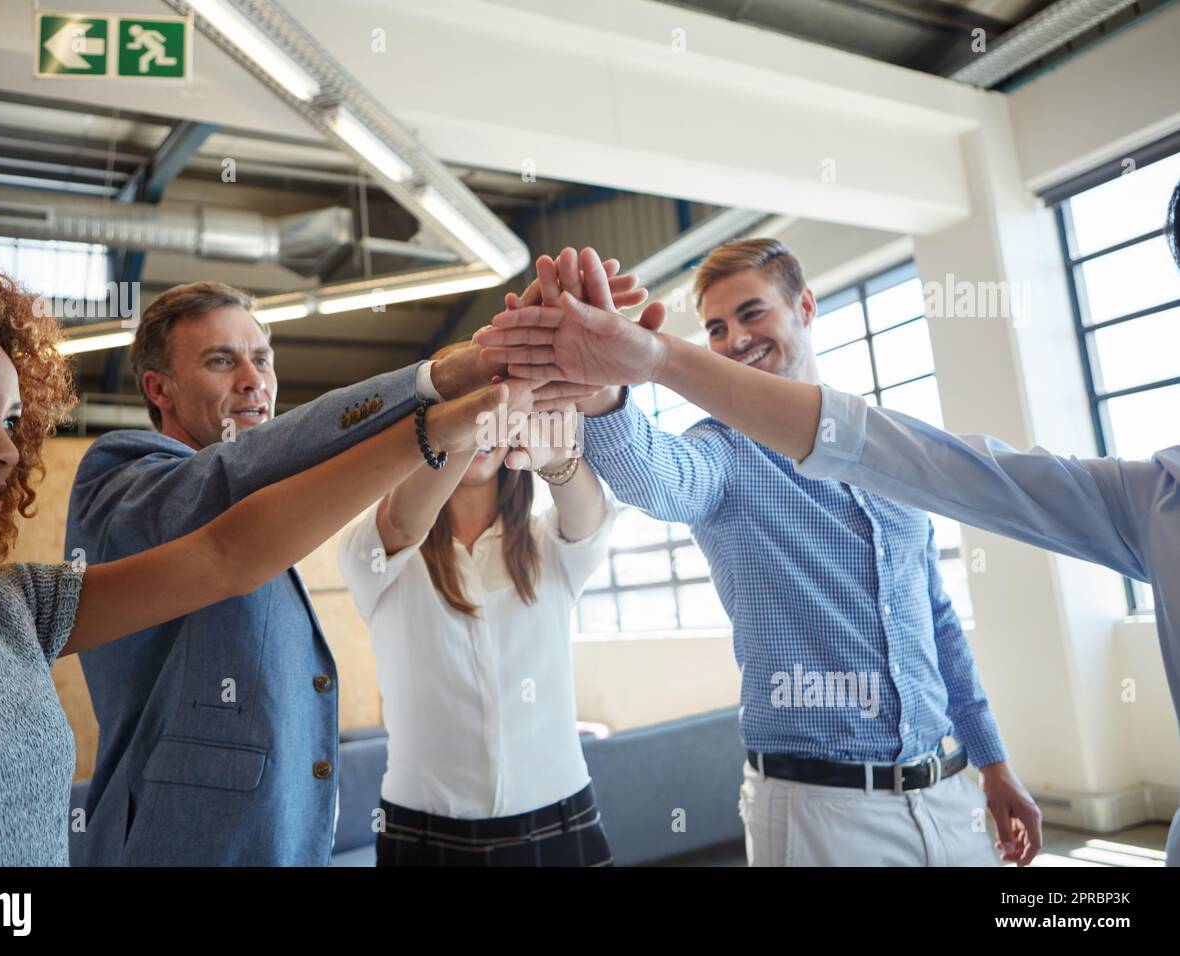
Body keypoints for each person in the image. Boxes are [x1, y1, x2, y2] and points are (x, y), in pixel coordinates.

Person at [482, 182, 1180, 866]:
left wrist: (992, 762)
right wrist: (606, 396)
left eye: (752, 314)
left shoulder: (889, 457)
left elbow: (935, 621)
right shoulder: (722, 451)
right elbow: (654, 475)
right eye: (717, 328)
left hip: (948, 793)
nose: (735, 340)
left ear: (805, 306)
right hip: (822, 814)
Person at [0, 231, 526, 865]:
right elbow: (229, 500)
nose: (7, 449)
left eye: (15, 421)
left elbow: (231, 554)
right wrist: (437, 382)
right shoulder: (125, 472)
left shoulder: (10, 608)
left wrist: (454, 414)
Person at [66, 267, 645, 865]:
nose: (252, 381)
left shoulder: (265, 517)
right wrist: (455, 388)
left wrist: (514, 392)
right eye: (220, 361)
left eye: (262, 359)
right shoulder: (124, 476)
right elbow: (245, 491)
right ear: (158, 389)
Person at [337, 341, 617, 866]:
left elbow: (591, 520)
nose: (481, 412)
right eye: (459, 402)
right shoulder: (375, 549)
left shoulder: (546, 544)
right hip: (425, 833)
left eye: (491, 402)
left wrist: (553, 451)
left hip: (558, 817)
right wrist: (477, 419)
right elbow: (401, 523)